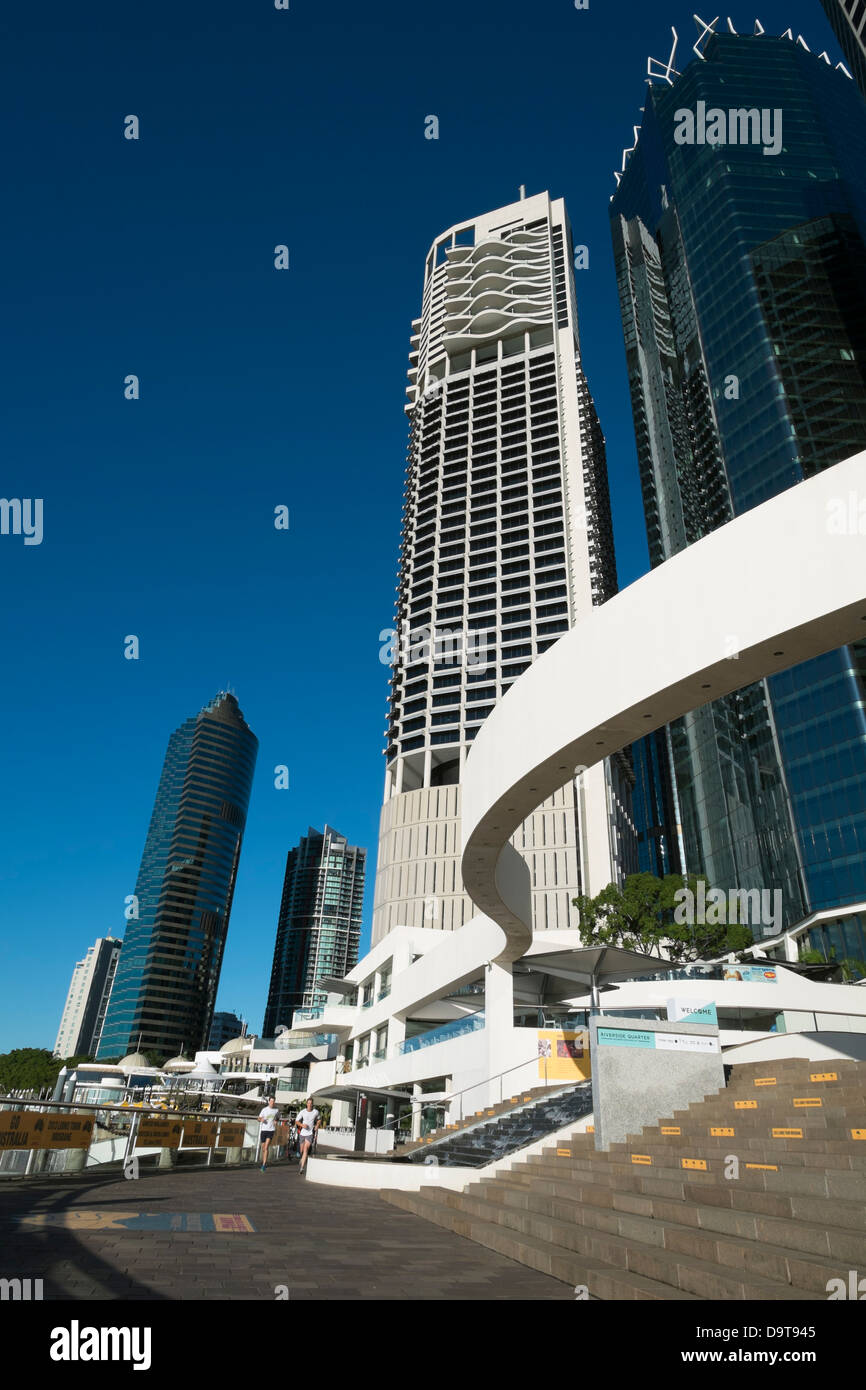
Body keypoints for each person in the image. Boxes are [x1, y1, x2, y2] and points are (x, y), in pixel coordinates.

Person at [296, 1097, 320, 1176]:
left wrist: (317, 1125)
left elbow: (319, 1119)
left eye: (311, 1103)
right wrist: (302, 1125)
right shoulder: (302, 1112)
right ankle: (302, 1158)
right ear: (307, 1104)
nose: (309, 1105)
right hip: (302, 1133)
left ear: (312, 1104)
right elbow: (296, 1121)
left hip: (310, 1134)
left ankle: (302, 1168)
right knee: (302, 1150)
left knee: (306, 1149)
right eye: (308, 1103)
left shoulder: (315, 1112)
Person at [258, 1096, 280, 1170]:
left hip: (271, 1130)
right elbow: (258, 1118)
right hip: (264, 1130)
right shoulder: (264, 1110)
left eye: (273, 1101)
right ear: (268, 1101)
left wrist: (276, 1121)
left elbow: (278, 1117)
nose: (272, 1103)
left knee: (266, 1147)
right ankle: (264, 1160)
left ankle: (264, 1165)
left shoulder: (276, 1110)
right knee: (263, 1148)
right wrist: (262, 1119)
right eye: (271, 1101)